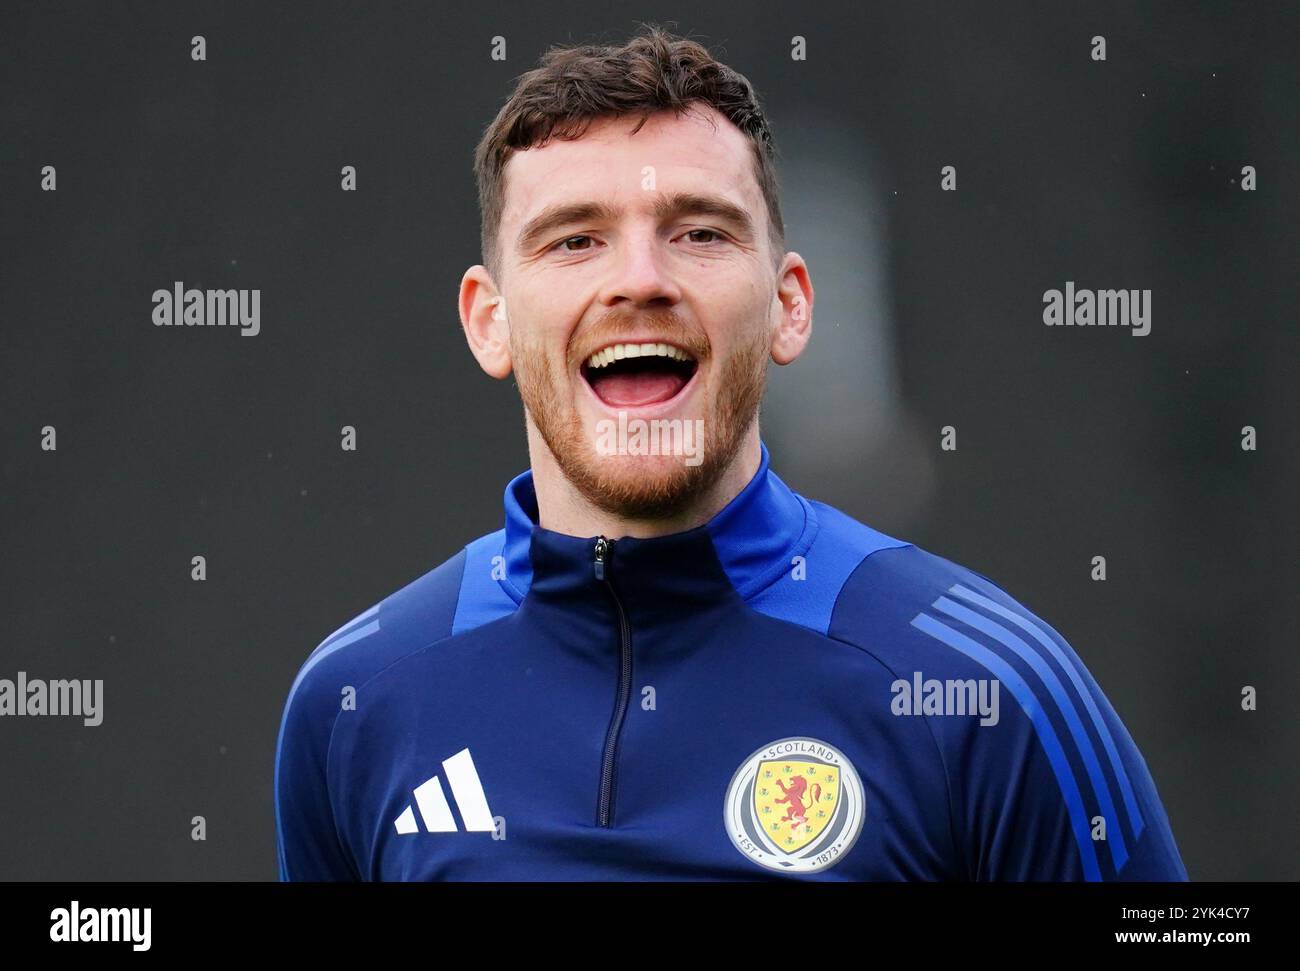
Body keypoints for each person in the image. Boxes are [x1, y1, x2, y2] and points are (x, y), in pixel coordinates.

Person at [275, 24, 1187, 881]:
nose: (640, 280)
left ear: (790, 306)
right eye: (576, 239)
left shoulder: (990, 692)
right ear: (490, 320)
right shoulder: (355, 702)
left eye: (700, 232)